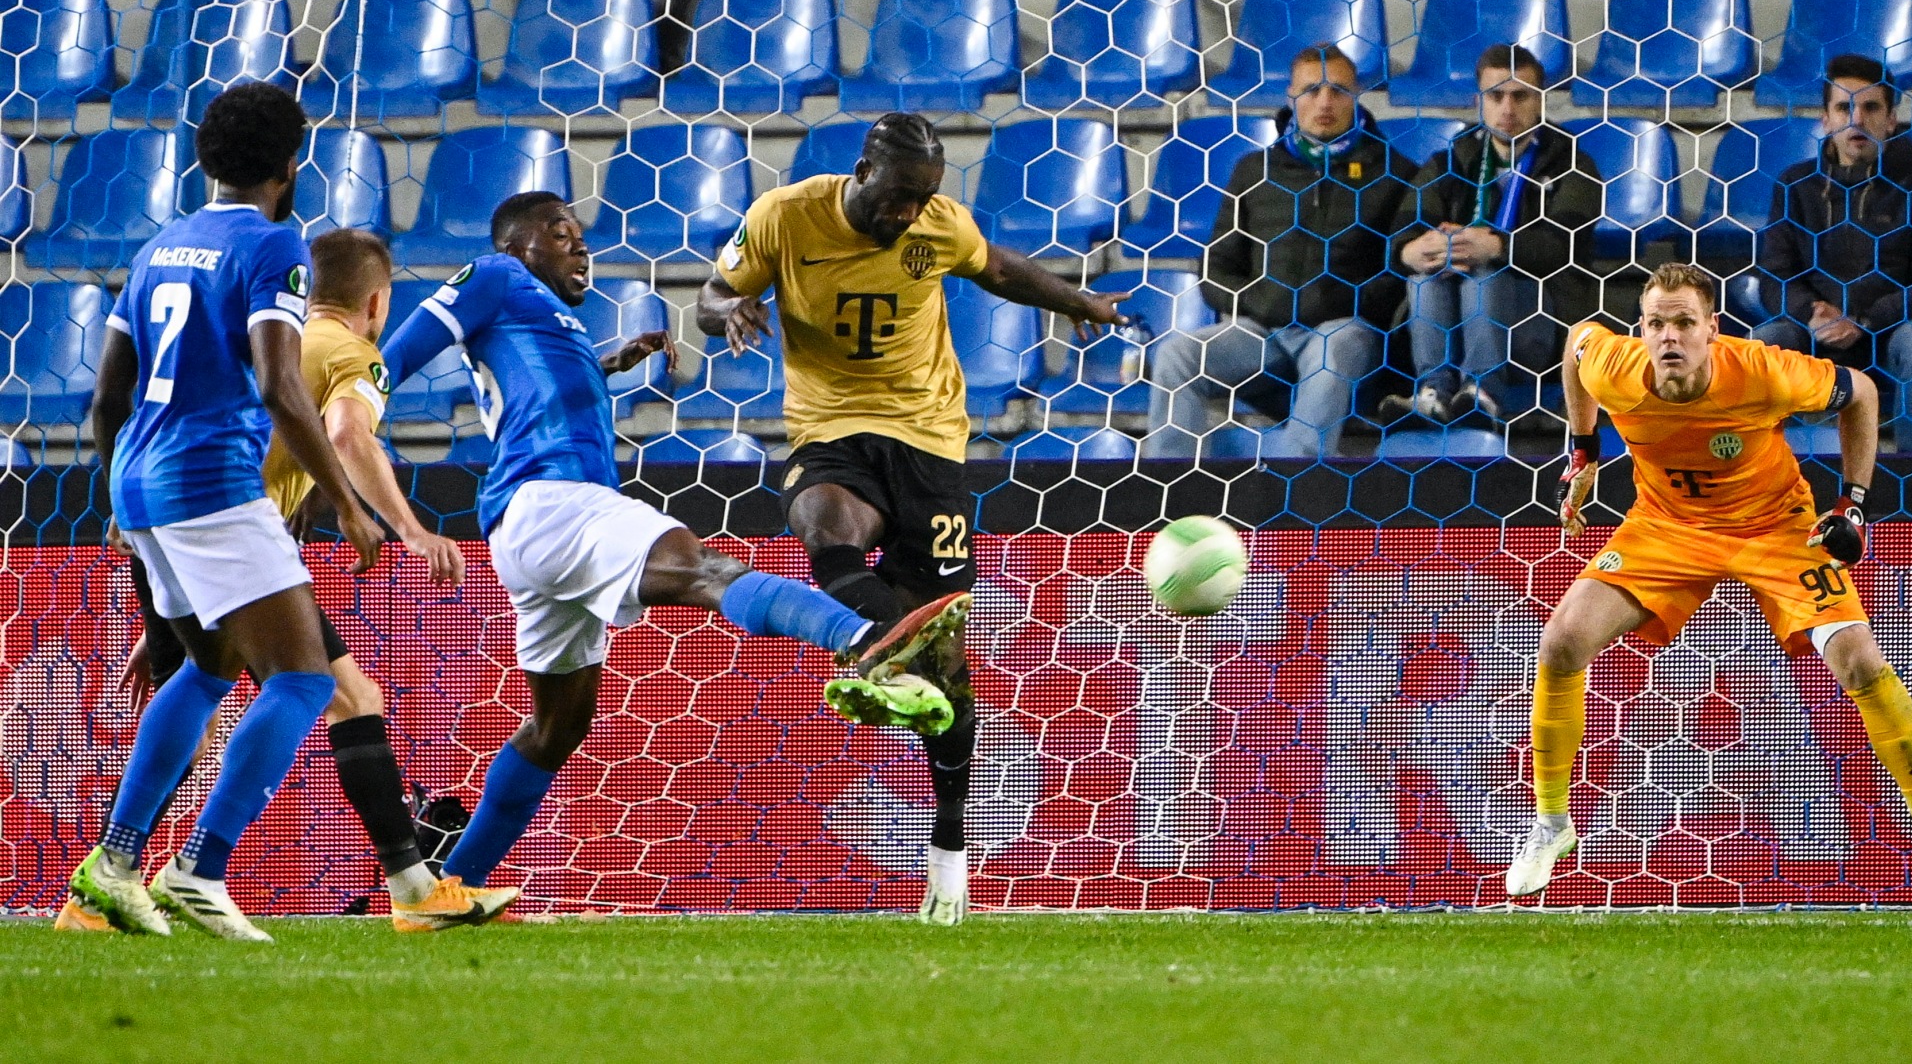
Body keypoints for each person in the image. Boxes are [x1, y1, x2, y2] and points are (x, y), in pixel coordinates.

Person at [377, 191, 957, 893]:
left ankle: (447, 890)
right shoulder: (496, 276)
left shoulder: (542, 319)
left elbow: (536, 388)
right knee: (703, 569)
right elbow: (392, 359)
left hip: (531, 528)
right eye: (559, 232)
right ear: (515, 245)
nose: (580, 245)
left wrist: (610, 362)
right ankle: (866, 640)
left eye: (580, 233)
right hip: (553, 504)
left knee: (557, 727)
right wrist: (351, 409)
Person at [696, 112, 1130, 923]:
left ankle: (949, 850)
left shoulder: (937, 225)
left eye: (921, 198)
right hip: (830, 428)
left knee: (948, 673)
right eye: (896, 196)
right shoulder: (785, 216)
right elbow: (711, 296)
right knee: (824, 524)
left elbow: (996, 266)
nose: (906, 213)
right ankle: (879, 650)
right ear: (861, 171)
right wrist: (729, 312)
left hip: (930, 439)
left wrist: (1077, 299)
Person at [61, 230, 518, 936]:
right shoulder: (352, 354)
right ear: (377, 302)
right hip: (225, 531)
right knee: (328, 692)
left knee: (221, 693)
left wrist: (174, 617)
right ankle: (384, 888)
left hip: (157, 508)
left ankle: (102, 888)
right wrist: (402, 526)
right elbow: (347, 434)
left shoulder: (262, 334)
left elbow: (120, 398)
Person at [1513, 262, 1912, 912]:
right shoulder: (1616, 367)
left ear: (1712, 329)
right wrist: (1584, 451)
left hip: (1775, 528)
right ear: (1641, 329)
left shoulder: (1762, 372)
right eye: (1656, 323)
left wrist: (1853, 504)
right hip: (1666, 527)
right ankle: (1551, 824)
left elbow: (1864, 393)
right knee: (1561, 641)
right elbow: (1577, 341)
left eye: (1684, 323)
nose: (1669, 336)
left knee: (1861, 663)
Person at [65, 84, 388, 941]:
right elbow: (282, 385)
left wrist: (118, 495)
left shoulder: (159, 246)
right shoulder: (274, 244)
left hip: (141, 481)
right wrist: (349, 504)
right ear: (291, 164)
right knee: (305, 679)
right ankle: (199, 868)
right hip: (209, 478)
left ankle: (115, 864)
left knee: (208, 669)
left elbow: (107, 397)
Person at [1142, 45, 1419, 460]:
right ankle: (1169, 482)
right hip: (1262, 331)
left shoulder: (1397, 173)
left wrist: (1330, 303)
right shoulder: (1255, 170)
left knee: (1332, 349)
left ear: (1358, 96)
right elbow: (1216, 267)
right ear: (1291, 97)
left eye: (1338, 91)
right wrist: (1264, 303)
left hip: (1344, 330)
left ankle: (1296, 484)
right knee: (1177, 354)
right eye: (1312, 90)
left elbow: (1400, 272)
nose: (1324, 102)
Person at [1752, 55, 1912, 455]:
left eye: (1870, 107)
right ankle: (1772, 468)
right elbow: (1775, 277)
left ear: (1891, 119)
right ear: (1825, 119)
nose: (1857, 119)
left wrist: (1866, 320)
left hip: (1895, 332)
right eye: (1843, 108)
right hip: (1820, 333)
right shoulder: (1796, 185)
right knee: (1766, 342)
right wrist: (1812, 314)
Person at [1385, 44, 1603, 425]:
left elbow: (1561, 245)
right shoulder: (1451, 161)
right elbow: (1404, 229)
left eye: (1520, 96)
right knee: (1426, 275)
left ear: (1540, 101)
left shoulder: (1574, 165)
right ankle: (1434, 391)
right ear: (1478, 102)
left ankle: (1482, 391)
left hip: (1538, 328)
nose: (1507, 109)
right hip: (1451, 322)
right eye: (1496, 96)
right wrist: (1414, 250)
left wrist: (1497, 247)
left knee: (1486, 273)